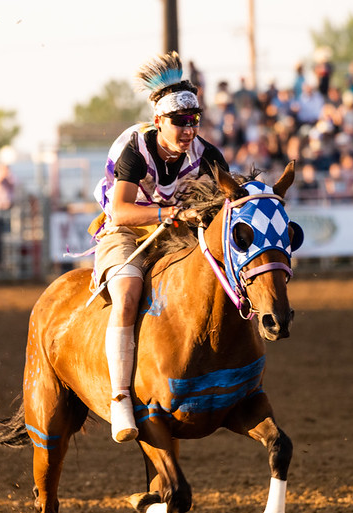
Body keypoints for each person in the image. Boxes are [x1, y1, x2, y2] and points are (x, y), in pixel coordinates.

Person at [91, 51, 229, 443]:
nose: (189, 130)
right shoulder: (136, 148)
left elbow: (227, 200)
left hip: (176, 226)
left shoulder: (208, 155)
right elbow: (119, 210)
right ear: (158, 122)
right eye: (180, 122)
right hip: (126, 229)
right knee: (129, 293)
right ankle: (120, 396)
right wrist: (169, 212)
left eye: (194, 121)